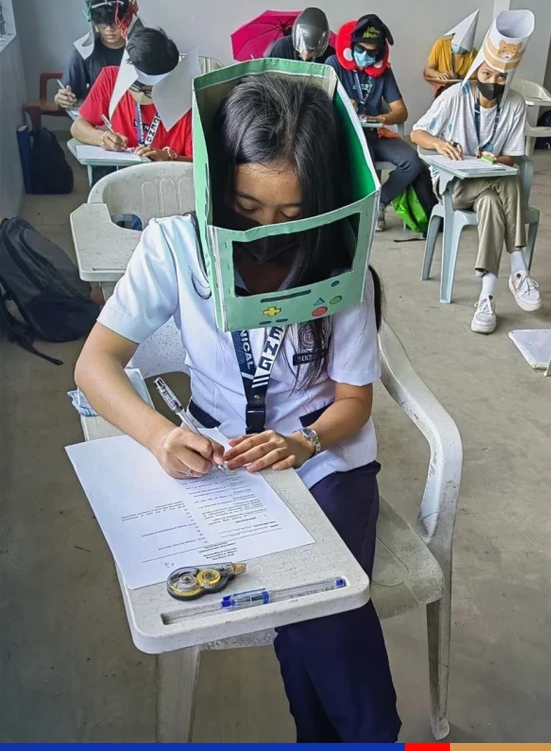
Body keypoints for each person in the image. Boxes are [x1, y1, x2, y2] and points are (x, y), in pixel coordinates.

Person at [73, 68, 401, 742]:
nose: (265, 235)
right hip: (220, 457)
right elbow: (95, 364)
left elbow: (353, 402)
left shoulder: (341, 264)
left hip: (322, 456)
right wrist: (159, 436)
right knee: (303, 603)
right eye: (246, 210)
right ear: (217, 187)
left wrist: (305, 442)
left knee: (324, 595)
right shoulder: (175, 246)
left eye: (291, 215)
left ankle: (370, 735)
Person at [411, 9, 541, 334]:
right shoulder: (455, 96)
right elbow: (417, 133)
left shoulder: (515, 104)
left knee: (493, 201)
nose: (493, 82)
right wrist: (439, 143)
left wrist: (495, 159)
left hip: (490, 188)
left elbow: (511, 158)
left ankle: (487, 297)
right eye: (487, 74)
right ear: (477, 70)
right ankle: (519, 267)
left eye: (501, 78)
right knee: (505, 183)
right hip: (454, 185)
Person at [326, 14, 424, 231]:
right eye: (361, 49)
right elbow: (321, 102)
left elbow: (401, 111)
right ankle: (357, 211)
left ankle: (380, 202)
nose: (366, 56)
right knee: (364, 160)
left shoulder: (384, 72)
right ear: (351, 47)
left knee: (412, 161)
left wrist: (382, 118)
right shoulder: (334, 65)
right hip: (347, 136)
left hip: (376, 134)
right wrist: (343, 103)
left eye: (372, 52)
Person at [70, 26, 193, 162]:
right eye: (137, 87)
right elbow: (77, 127)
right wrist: (101, 137)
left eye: (150, 91)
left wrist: (169, 159)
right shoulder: (111, 79)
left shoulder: (187, 101)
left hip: (168, 173)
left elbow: (199, 163)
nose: (142, 95)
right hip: (120, 169)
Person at [54, 0, 138, 111]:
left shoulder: (140, 49)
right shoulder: (84, 53)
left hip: (135, 116)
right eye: (102, 24)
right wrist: (60, 99)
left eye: (115, 23)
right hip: (99, 118)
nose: (109, 29)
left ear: (126, 19)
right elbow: (66, 96)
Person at [423, 11, 479, 98]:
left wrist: (457, 77)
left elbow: (475, 79)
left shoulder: (473, 53)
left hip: (462, 94)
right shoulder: (441, 45)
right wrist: (438, 75)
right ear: (453, 37)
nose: (459, 47)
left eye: (462, 47)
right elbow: (428, 70)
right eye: (456, 44)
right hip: (441, 91)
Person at [268, 7, 335, 62]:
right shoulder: (282, 47)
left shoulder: (329, 56)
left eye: (312, 51)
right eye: (303, 49)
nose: (306, 56)